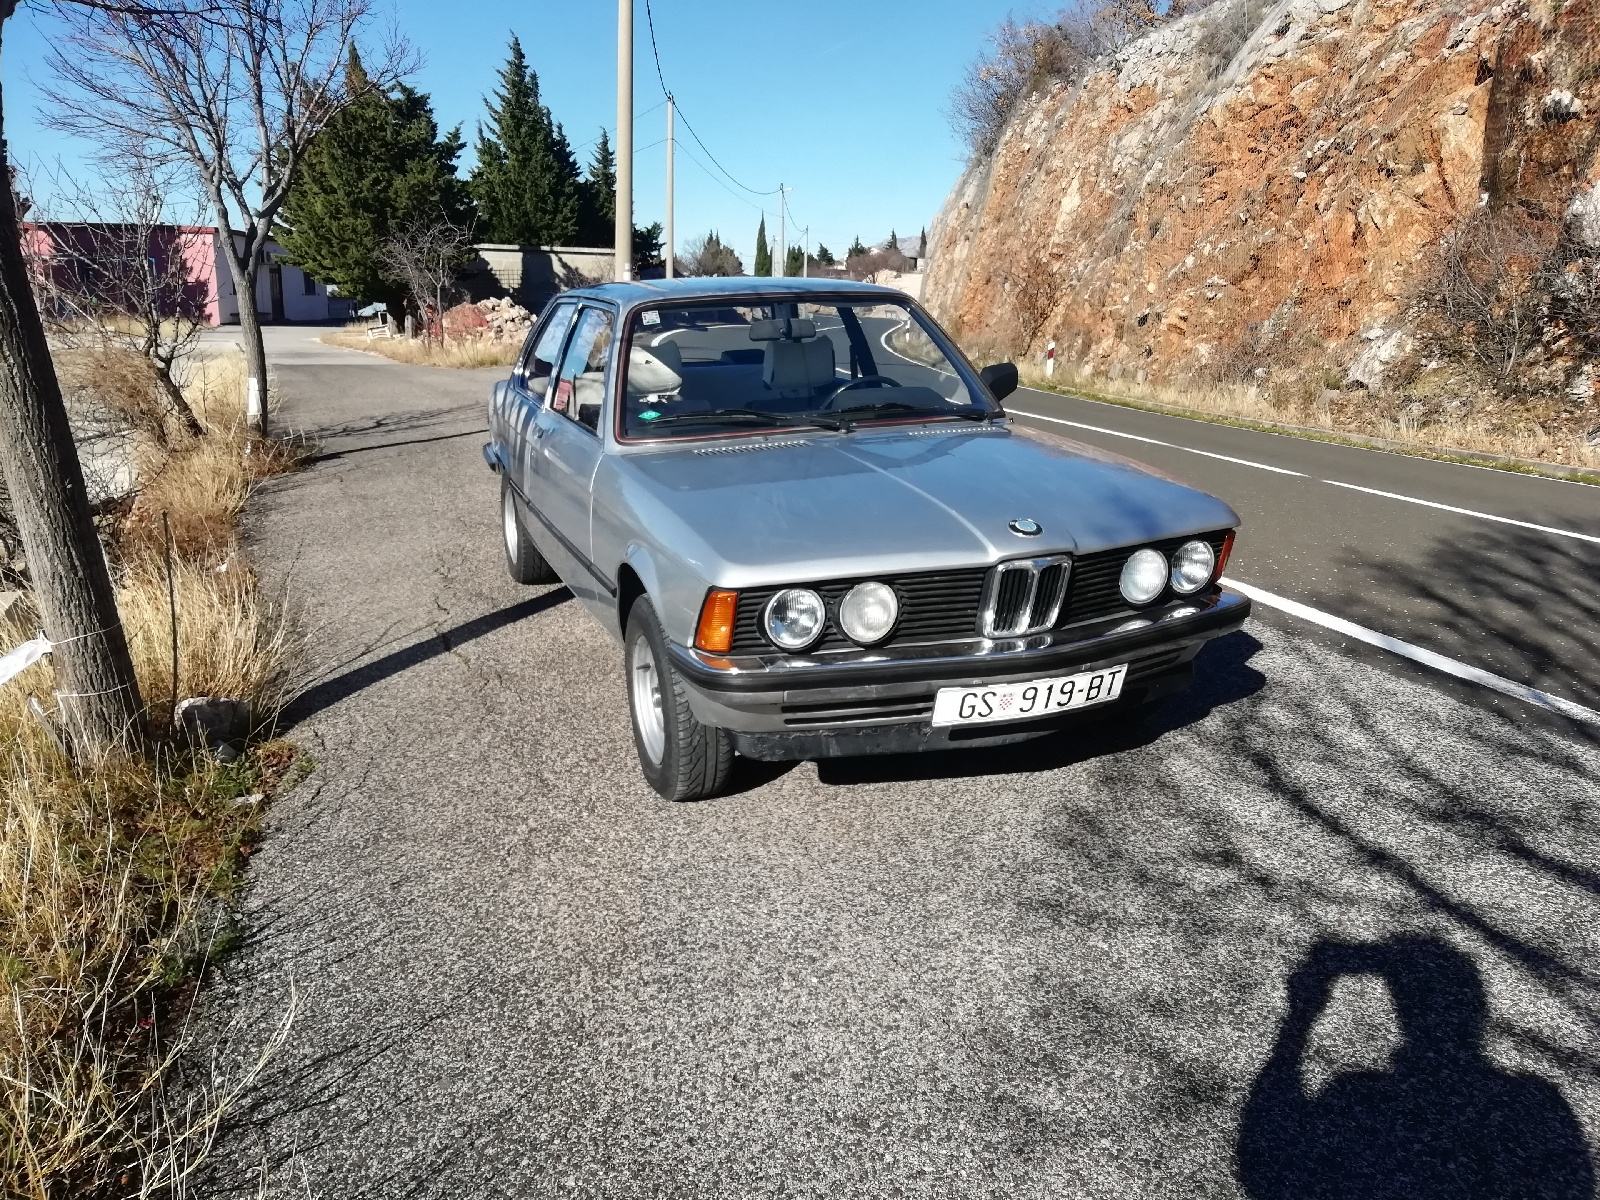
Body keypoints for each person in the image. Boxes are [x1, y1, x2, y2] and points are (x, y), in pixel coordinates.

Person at [1238, 936, 1593, 1200]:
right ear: (1477, 1010)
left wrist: (1300, 1020)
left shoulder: (1361, 1102)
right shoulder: (1530, 1109)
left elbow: (1265, 1156)